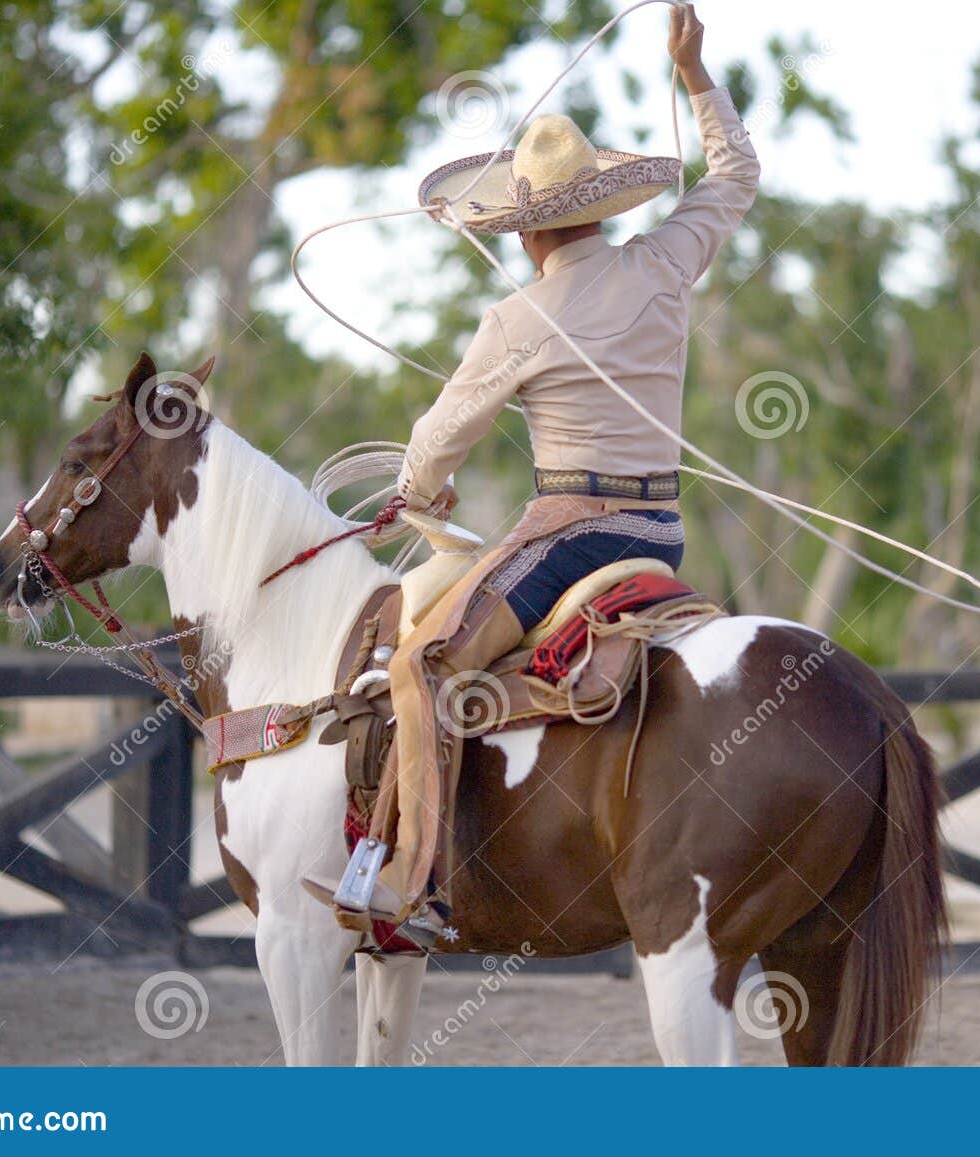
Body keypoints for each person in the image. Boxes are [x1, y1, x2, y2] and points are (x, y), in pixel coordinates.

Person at [346, 3, 758, 945]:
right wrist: (694, 72)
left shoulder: (515, 321)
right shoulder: (663, 262)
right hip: (661, 537)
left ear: (526, 233)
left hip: (570, 542)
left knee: (422, 663)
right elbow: (736, 172)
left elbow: (437, 436)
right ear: (601, 210)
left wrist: (419, 494)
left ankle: (417, 881)